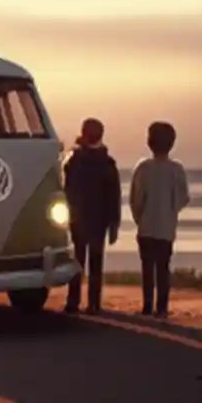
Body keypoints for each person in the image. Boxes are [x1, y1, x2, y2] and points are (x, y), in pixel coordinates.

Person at [129, 121, 190, 319]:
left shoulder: (143, 168)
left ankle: (147, 306)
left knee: (147, 268)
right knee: (163, 267)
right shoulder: (176, 169)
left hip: (146, 225)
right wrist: (171, 211)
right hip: (166, 227)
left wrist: (139, 216)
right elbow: (183, 197)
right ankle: (161, 308)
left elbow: (135, 198)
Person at [62, 118, 122, 315]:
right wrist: (114, 223)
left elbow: (66, 188)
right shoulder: (107, 163)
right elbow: (114, 196)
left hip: (79, 217)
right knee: (96, 261)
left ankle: (73, 301)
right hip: (99, 219)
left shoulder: (75, 160)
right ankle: (94, 304)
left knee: (77, 260)